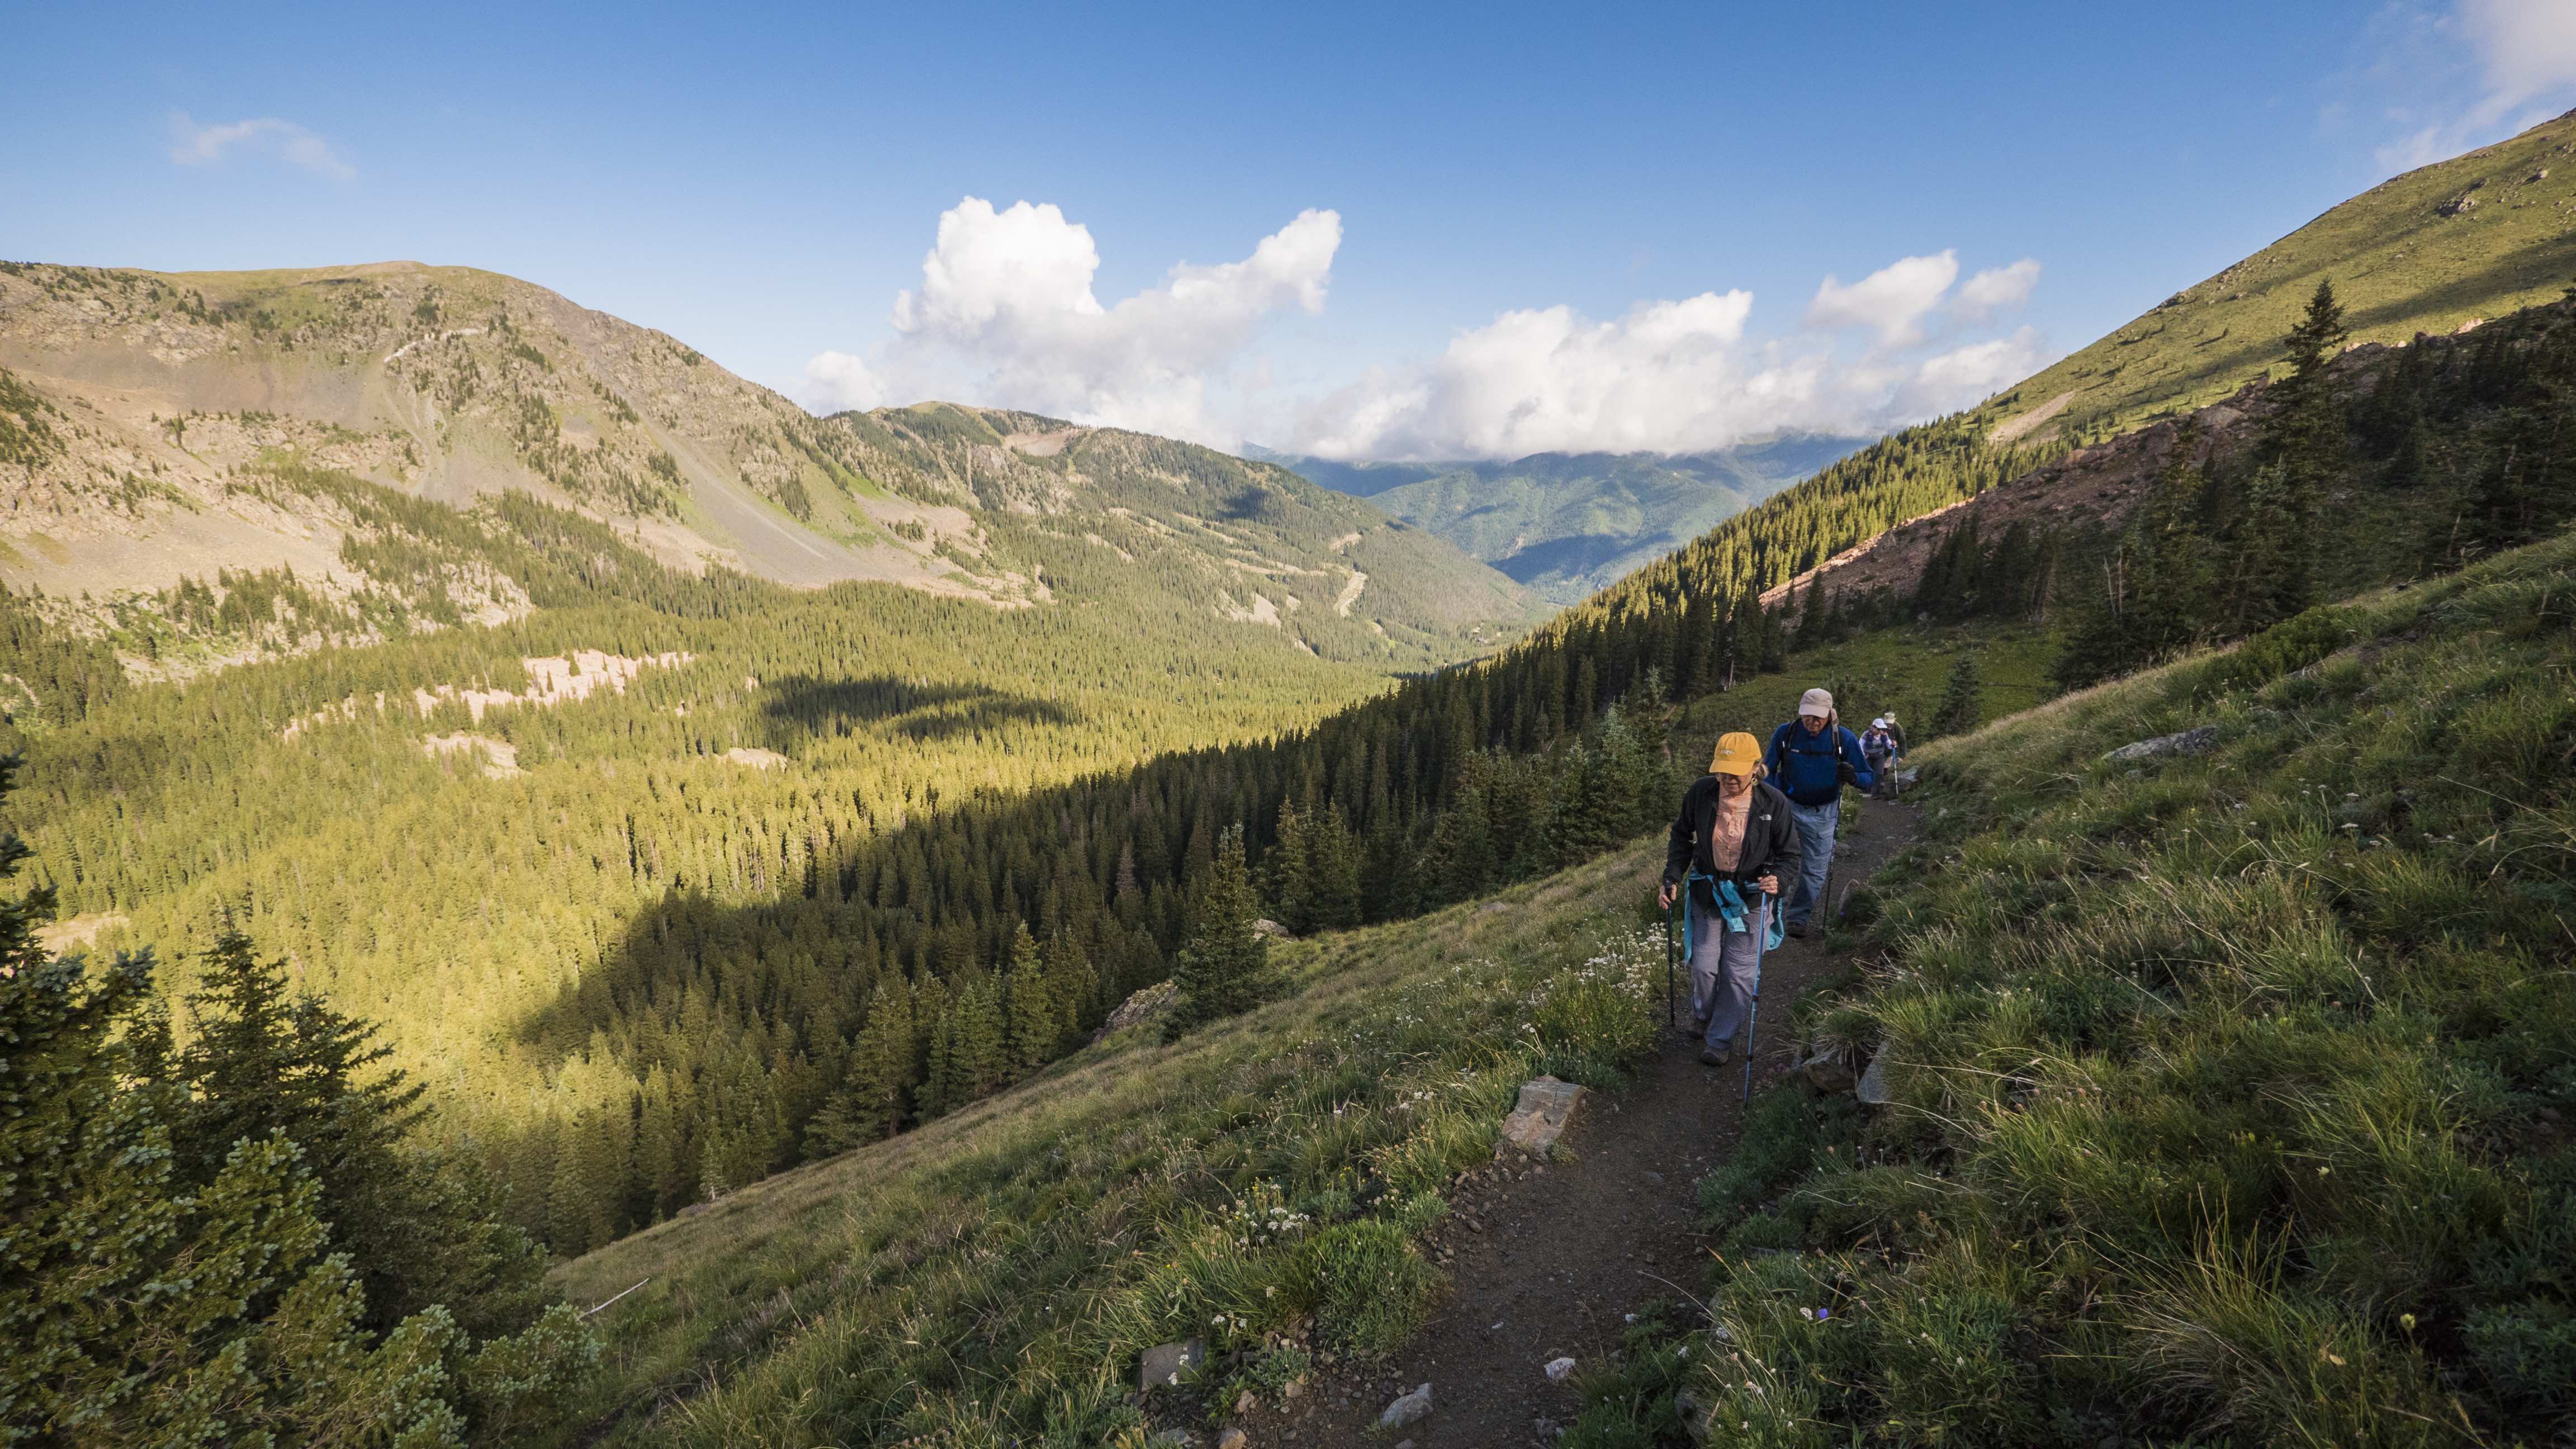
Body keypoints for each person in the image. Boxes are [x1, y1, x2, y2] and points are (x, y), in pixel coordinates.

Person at [1660, 731, 1800, 1067]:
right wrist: (1672, 876)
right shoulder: (1701, 793)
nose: (1727, 778)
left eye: (1735, 771)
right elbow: (1682, 835)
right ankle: (1703, 1014)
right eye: (1722, 770)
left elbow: (1791, 854)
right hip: (1709, 892)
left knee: (1739, 973)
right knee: (1705, 967)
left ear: (1755, 767)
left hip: (1751, 899)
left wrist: (1777, 881)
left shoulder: (1773, 803)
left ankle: (1720, 1039)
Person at [1765, 688, 1873, 937]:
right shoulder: (1786, 733)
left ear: (1829, 715)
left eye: (1818, 717)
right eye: (1807, 716)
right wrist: (1773, 796)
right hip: (1787, 808)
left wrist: (1853, 777)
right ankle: (1768, 913)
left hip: (1823, 812)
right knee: (1774, 860)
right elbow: (1768, 768)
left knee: (1814, 870)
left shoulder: (1843, 739)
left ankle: (1797, 918)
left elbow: (1869, 779)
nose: (1811, 722)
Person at [1860, 716, 1901, 799]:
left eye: (1882, 729)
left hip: (1880, 756)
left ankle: (1875, 794)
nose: (1881, 731)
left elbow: (1890, 746)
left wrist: (1894, 744)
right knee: (1869, 773)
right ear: (1874, 727)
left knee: (1879, 774)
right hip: (1868, 756)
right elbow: (1860, 745)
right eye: (1879, 729)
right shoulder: (1866, 735)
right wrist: (1863, 756)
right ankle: (1866, 790)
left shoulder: (1884, 735)